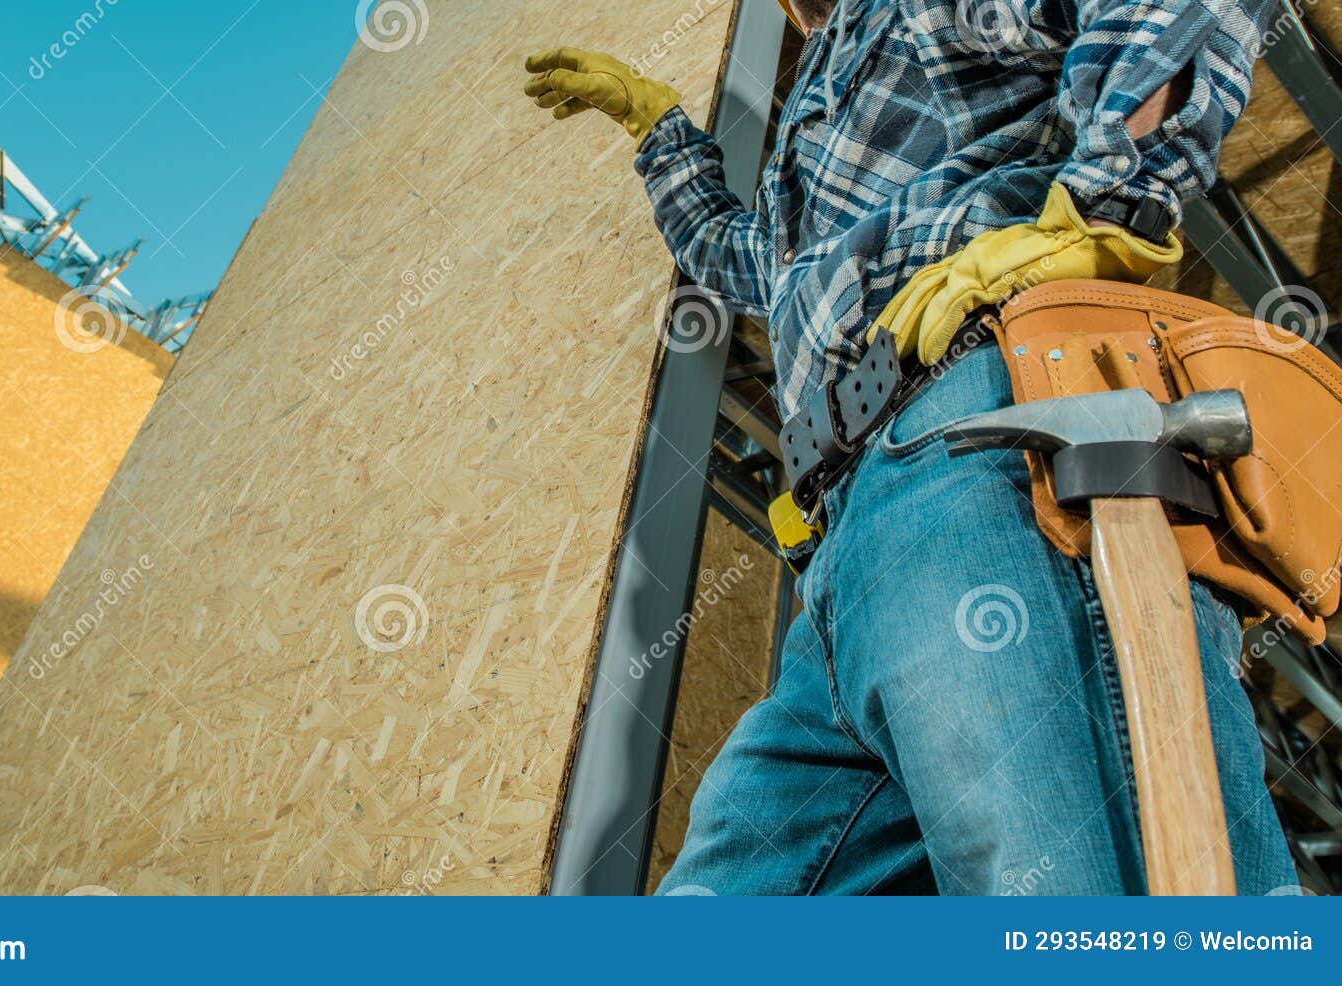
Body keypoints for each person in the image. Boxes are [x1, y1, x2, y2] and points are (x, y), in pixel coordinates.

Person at [523, 0, 1298, 894]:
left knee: (1079, 897)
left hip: (981, 456)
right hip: (842, 567)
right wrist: (658, 130)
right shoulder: (819, 101)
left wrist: (1107, 201)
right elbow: (757, 269)